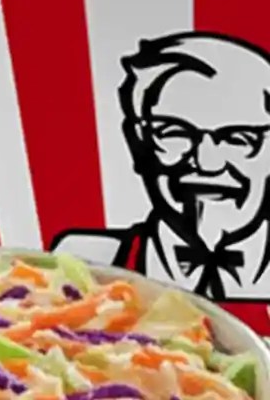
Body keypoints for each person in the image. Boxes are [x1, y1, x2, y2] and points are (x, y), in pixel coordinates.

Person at [51, 31, 270, 301]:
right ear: (137, 143)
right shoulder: (90, 259)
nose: (207, 163)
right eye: (174, 133)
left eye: (238, 139)